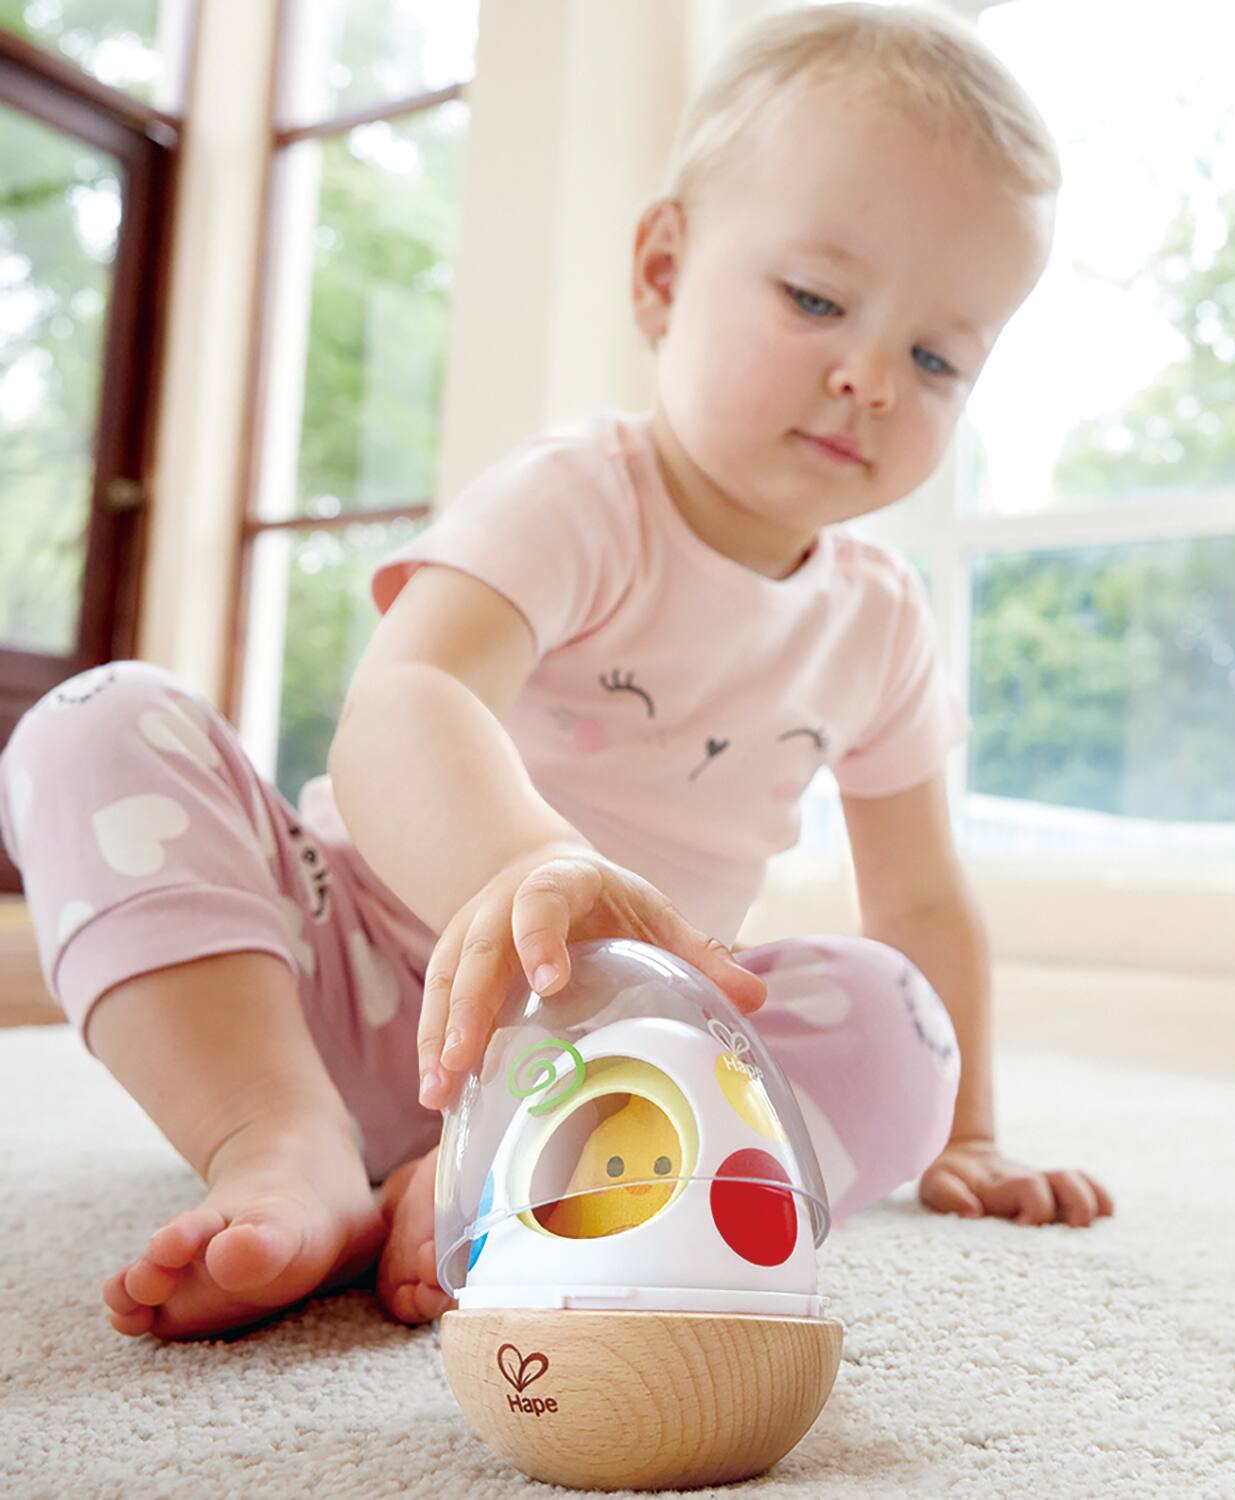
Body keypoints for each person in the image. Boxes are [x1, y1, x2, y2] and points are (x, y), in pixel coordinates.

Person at [0, 2, 1112, 1343]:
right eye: (815, 298)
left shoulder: (883, 623)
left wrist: (971, 1130)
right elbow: (406, 704)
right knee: (93, 722)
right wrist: (527, 869)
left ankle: (496, 1184)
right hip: (326, 971)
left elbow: (922, 896)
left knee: (897, 1022)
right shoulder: (584, 497)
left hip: (602, 1066)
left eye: (939, 357)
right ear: (661, 273)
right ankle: (273, 1137)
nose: (871, 375)